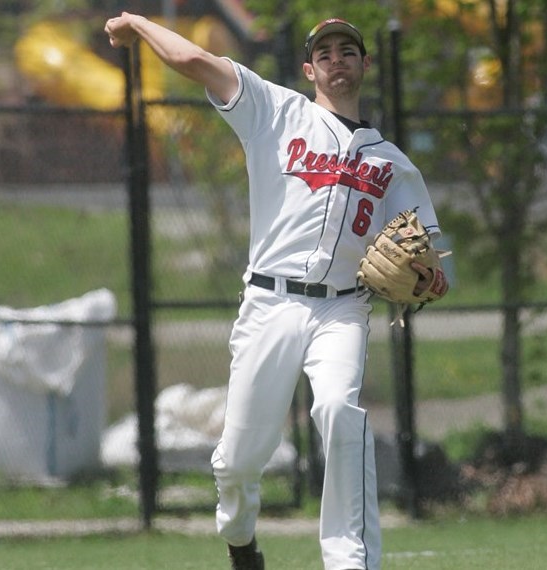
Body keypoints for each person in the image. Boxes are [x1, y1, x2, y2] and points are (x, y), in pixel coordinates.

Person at [104, 13, 448, 570]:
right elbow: (194, 62)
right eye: (326, 53)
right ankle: (240, 538)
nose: (338, 60)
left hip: (342, 307)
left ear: (365, 64)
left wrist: (430, 277)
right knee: (238, 464)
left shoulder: (394, 165)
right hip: (270, 303)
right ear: (309, 68)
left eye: (348, 51)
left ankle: (350, 561)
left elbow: (429, 258)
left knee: (341, 410)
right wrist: (139, 24)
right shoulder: (275, 111)